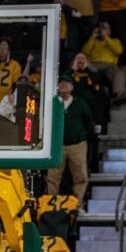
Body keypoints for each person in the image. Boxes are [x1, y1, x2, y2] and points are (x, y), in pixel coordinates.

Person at [45, 75, 93, 204]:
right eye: (61, 82)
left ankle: (78, 203)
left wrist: (81, 136)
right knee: (52, 177)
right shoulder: (52, 102)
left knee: (80, 176)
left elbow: (89, 123)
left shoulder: (80, 103)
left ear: (72, 87)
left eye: (67, 82)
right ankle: (51, 204)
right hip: (57, 145)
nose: (64, 84)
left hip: (77, 145)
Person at [81, 20, 126, 103]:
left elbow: (118, 51)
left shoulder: (115, 41)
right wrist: (92, 37)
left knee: (120, 73)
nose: (101, 29)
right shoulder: (93, 40)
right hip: (95, 66)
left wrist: (105, 37)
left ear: (109, 31)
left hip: (109, 65)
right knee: (83, 63)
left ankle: (118, 95)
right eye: (100, 27)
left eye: (104, 28)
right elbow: (85, 52)